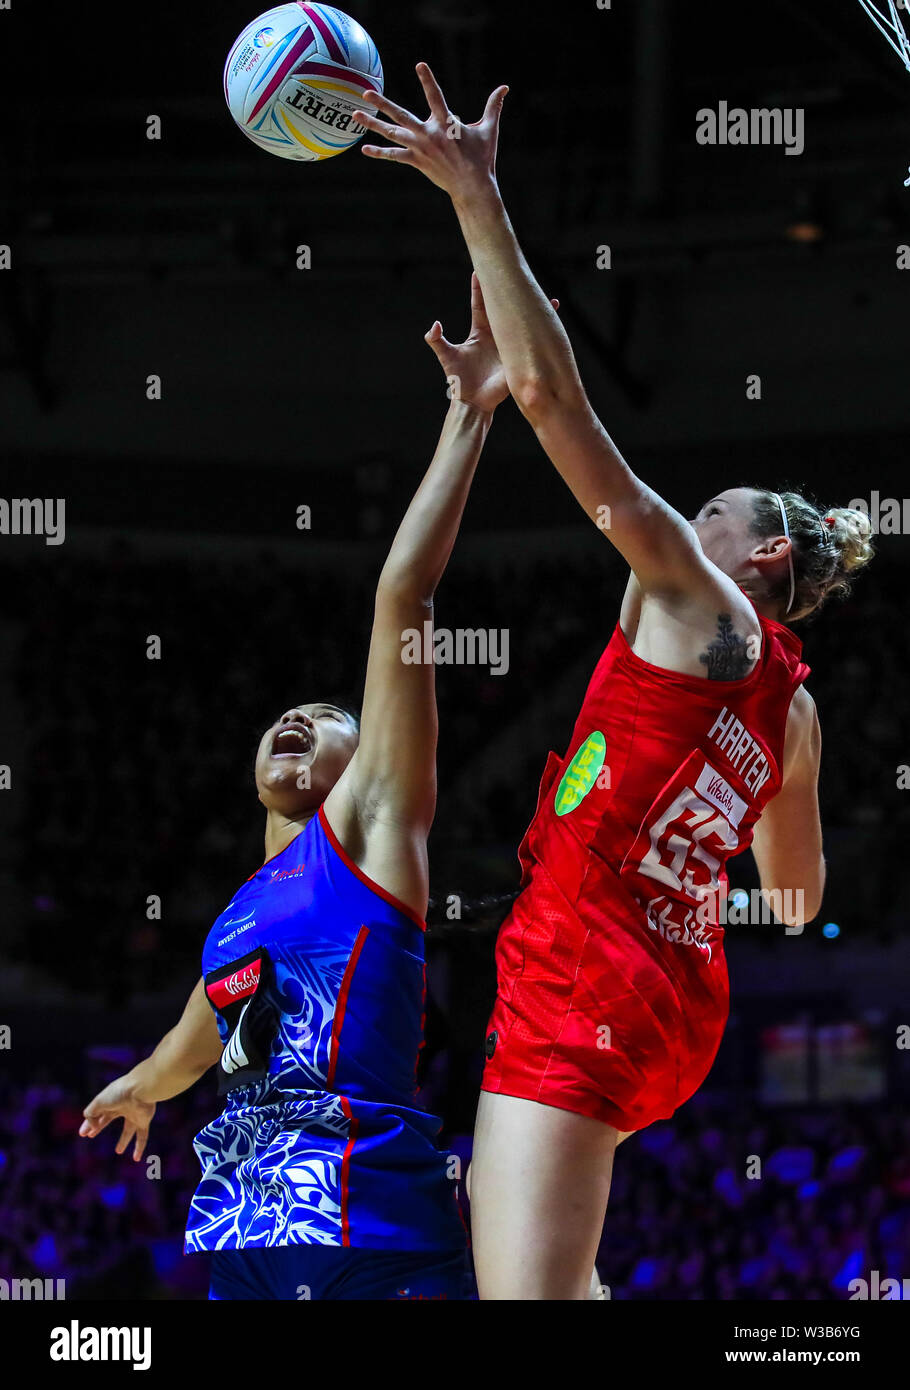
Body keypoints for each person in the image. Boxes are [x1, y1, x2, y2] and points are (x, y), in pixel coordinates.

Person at [353, 65, 875, 1299]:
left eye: (705, 516)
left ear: (762, 556)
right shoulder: (791, 709)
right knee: (552, 1264)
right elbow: (795, 900)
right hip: (674, 1008)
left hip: (587, 976)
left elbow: (552, 397)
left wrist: (477, 198)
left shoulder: (699, 598)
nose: (676, 527)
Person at [79, 279, 508, 1301]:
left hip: (368, 1214)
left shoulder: (369, 827)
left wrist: (467, 413)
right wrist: (140, 1086)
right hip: (239, 1225)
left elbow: (403, 593)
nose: (302, 719)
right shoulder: (235, 916)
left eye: (332, 718)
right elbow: (196, 1043)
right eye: (291, 713)